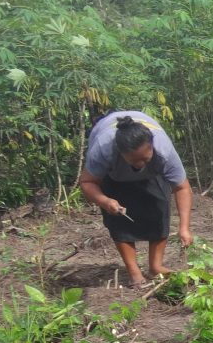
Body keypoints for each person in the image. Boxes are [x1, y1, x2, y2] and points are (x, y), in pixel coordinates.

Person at [78, 111, 193, 286]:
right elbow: (87, 182)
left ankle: (156, 267)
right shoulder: (104, 148)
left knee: (159, 209)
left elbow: (182, 187)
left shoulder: (164, 151)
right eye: (134, 160)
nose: (140, 165)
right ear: (121, 152)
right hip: (114, 177)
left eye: (144, 159)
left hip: (153, 176)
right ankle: (134, 273)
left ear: (152, 146)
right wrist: (105, 201)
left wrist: (184, 228)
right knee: (119, 221)